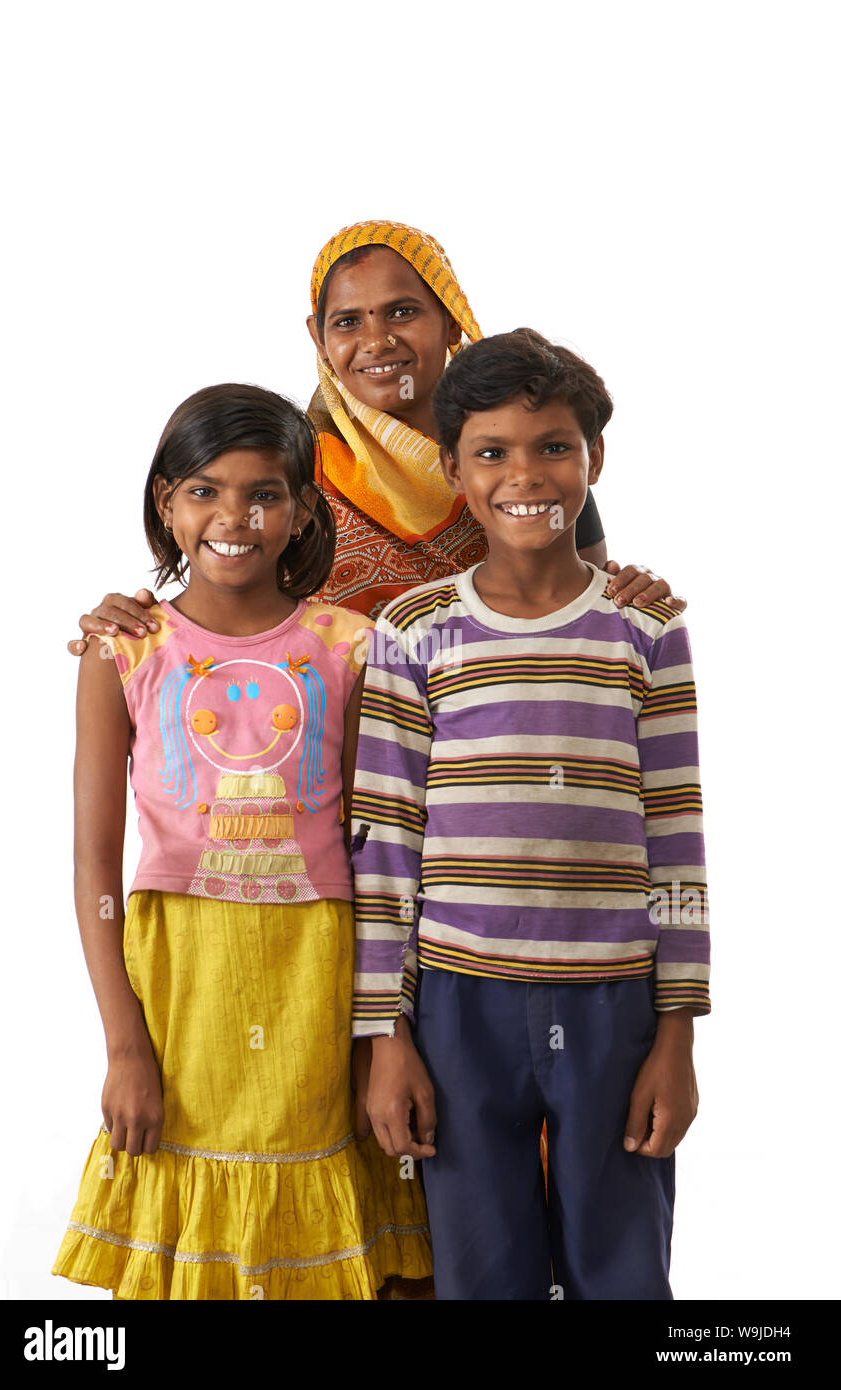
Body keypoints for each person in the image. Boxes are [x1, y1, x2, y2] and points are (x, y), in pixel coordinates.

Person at [52, 383, 433, 1299]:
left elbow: (381, 853)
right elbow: (94, 863)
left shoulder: (352, 648)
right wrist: (124, 1047)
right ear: (165, 502)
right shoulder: (126, 652)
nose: (235, 517)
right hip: (182, 982)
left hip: (320, 970)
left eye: (264, 493)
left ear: (303, 508)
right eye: (205, 491)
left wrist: (387, 1034)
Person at [351, 331, 710, 1300]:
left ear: (595, 458)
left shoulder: (646, 628)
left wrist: (677, 1030)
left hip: (614, 1007)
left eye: (554, 446)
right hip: (459, 1006)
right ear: (456, 469)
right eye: (493, 452)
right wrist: (387, 1034)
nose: (526, 475)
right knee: (481, 1274)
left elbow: (676, 836)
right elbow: (385, 843)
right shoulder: (416, 631)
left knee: (624, 1271)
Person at [66, 219, 684, 652]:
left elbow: (584, 618)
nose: (377, 341)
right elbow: (227, 589)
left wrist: (632, 590)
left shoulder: (524, 465)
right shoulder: (299, 467)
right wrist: (141, 628)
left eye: (403, 312)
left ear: (450, 317)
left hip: (489, 768)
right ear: (318, 338)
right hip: (322, 785)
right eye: (348, 321)